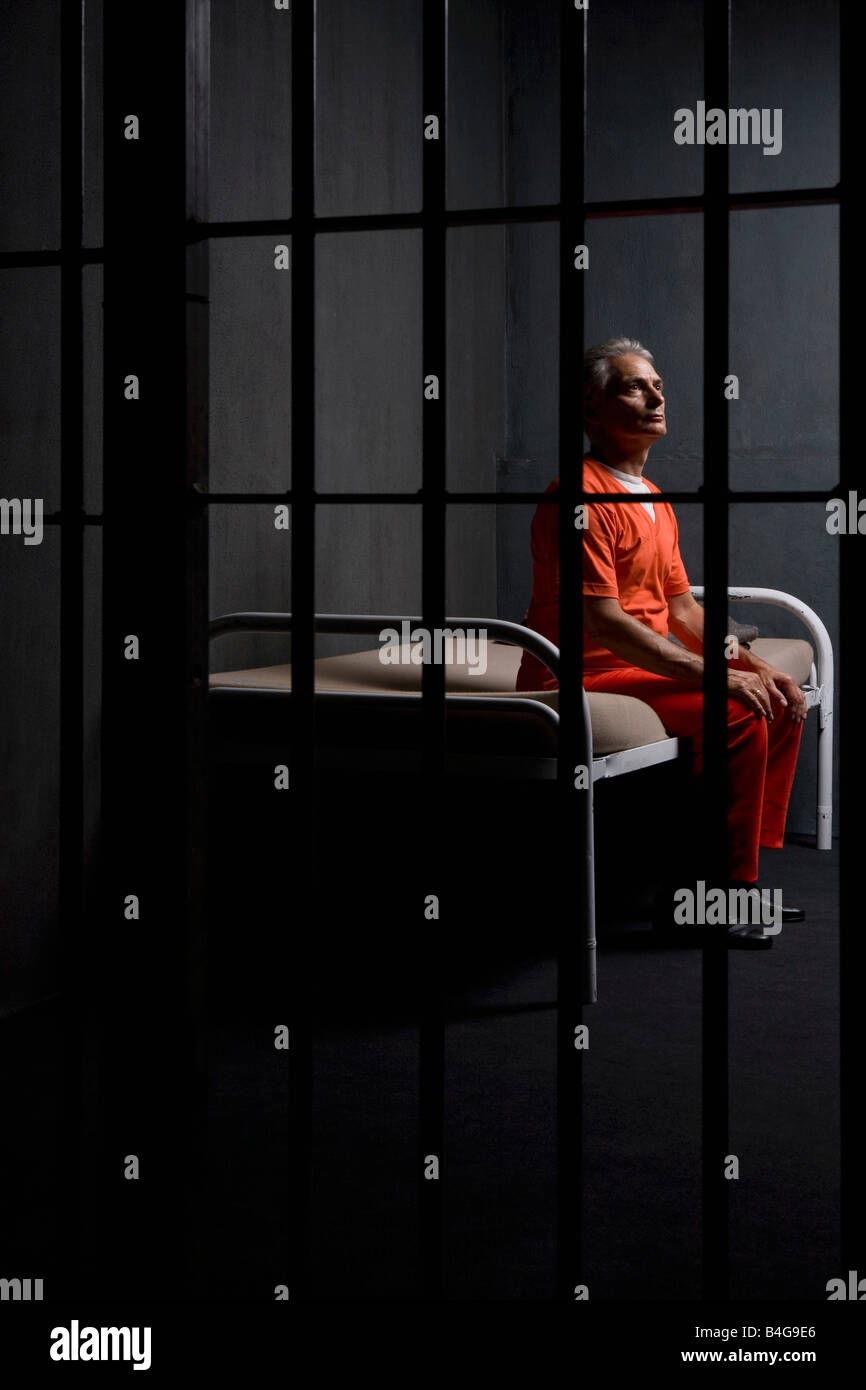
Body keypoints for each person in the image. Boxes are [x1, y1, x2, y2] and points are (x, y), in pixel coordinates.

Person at [516, 337, 806, 948]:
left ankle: (722, 883)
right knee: (734, 711)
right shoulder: (581, 495)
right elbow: (605, 623)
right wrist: (714, 678)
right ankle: (707, 899)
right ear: (593, 410)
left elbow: (685, 612)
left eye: (658, 385)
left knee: (777, 698)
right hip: (577, 672)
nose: (656, 396)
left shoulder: (653, 500)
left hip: (632, 666)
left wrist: (752, 663)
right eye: (634, 386)